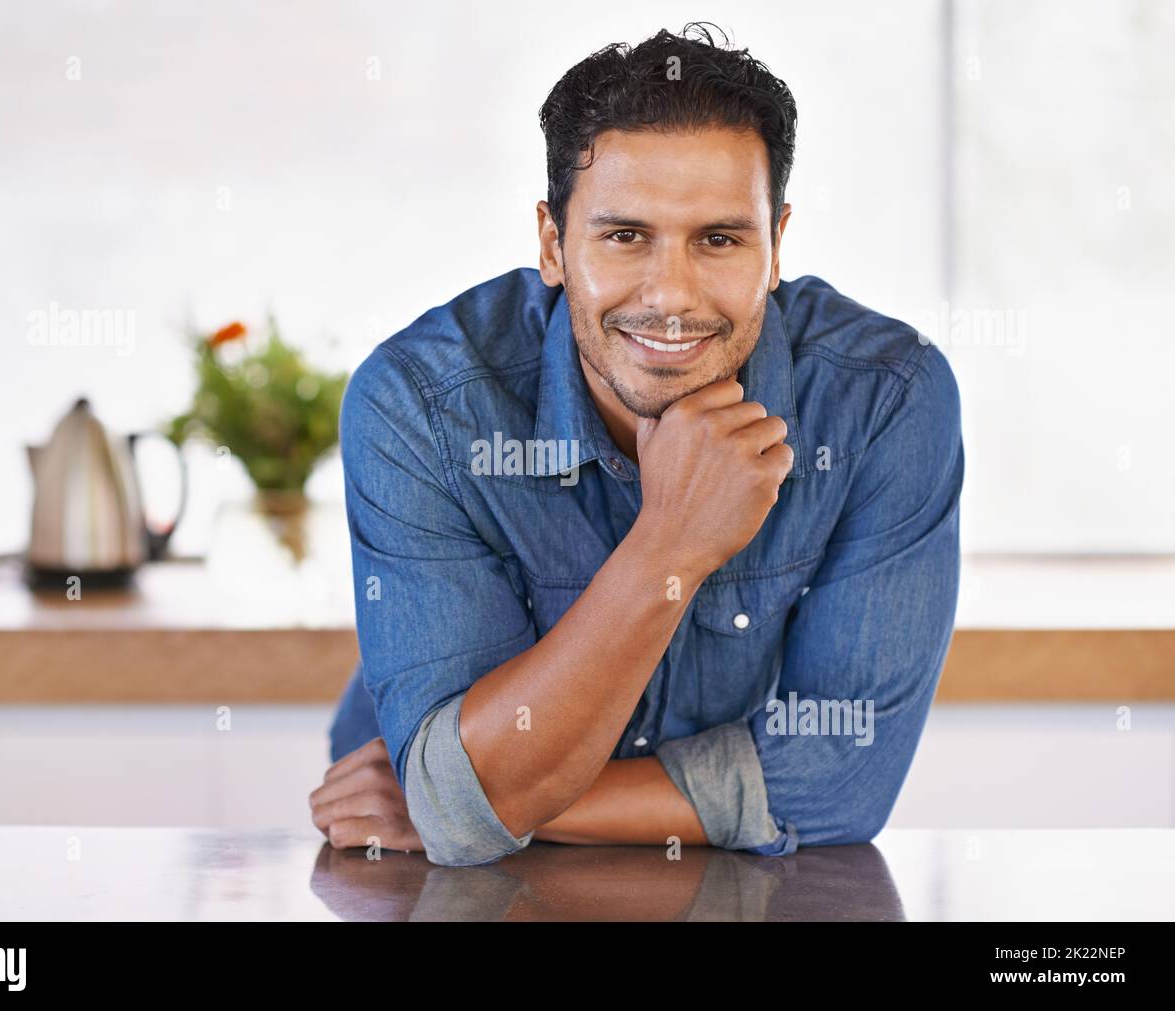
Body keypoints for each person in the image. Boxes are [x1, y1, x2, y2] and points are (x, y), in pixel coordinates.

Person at [310, 23, 963, 867]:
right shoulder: (421, 405)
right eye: (625, 236)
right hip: (421, 881)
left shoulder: (885, 401)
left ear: (777, 245)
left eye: (720, 239)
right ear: (553, 244)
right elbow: (460, 808)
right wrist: (674, 542)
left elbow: (842, 785)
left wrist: (471, 803)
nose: (672, 296)